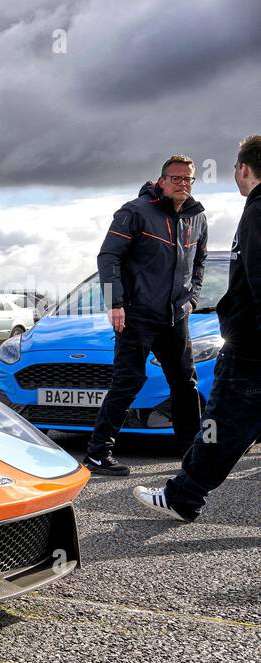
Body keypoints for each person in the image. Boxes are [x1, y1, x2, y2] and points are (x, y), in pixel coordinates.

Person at [136, 136, 261, 520]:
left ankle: (182, 497)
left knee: (221, 427)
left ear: (243, 168)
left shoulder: (257, 211)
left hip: (251, 351)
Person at [84, 156, 208, 476]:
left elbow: (199, 265)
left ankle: (191, 452)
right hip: (136, 314)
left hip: (175, 316)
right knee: (128, 381)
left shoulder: (196, 218)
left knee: (184, 384)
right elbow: (108, 256)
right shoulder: (135, 212)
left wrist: (191, 300)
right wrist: (116, 303)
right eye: (176, 178)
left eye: (188, 179)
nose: (183, 184)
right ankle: (98, 454)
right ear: (161, 180)